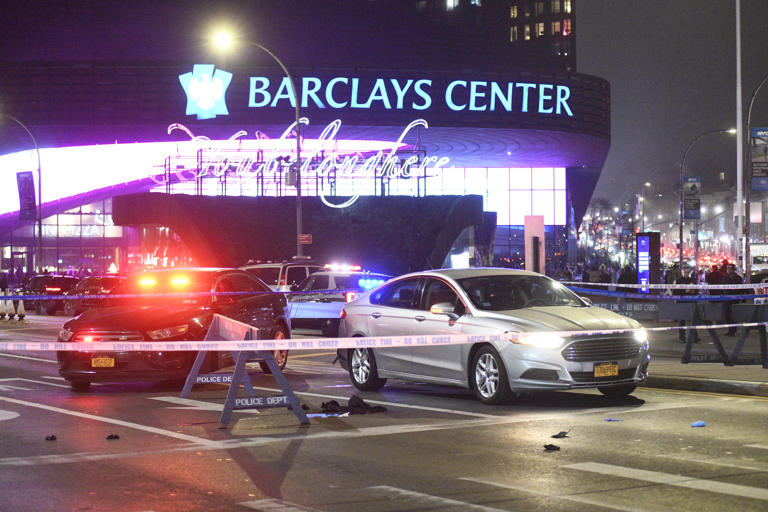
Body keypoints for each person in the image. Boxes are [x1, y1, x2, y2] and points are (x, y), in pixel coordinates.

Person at [723, 263, 743, 336]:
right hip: (727, 299)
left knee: (733, 315)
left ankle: (733, 331)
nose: (729, 270)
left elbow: (740, 289)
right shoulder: (725, 277)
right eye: (728, 268)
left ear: (733, 269)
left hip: (734, 299)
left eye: (730, 268)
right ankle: (730, 330)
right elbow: (723, 287)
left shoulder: (738, 278)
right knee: (727, 315)